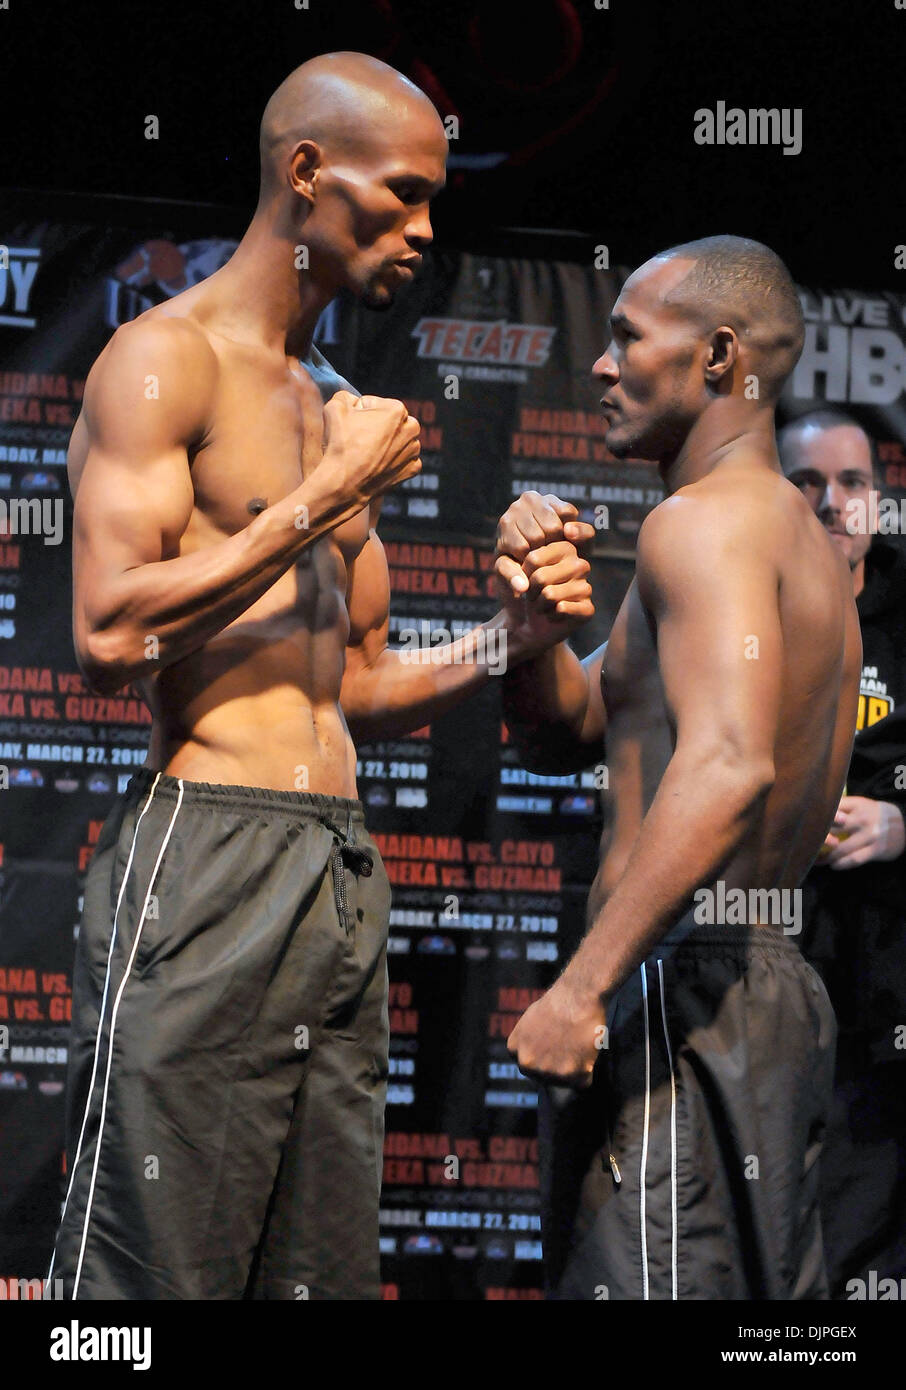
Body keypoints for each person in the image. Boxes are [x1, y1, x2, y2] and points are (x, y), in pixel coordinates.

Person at [46, 51, 594, 1301]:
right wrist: (326, 496)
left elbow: (350, 681)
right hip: (204, 853)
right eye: (399, 194)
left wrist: (503, 643)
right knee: (150, 1272)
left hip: (335, 863)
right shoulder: (161, 360)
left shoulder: (332, 397)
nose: (423, 227)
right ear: (306, 172)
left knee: (318, 1272)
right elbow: (107, 640)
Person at [495, 235, 862, 1300]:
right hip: (761, 989)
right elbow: (573, 729)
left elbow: (729, 763)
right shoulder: (786, 538)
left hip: (685, 984)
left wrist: (583, 985)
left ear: (716, 358)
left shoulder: (696, 529)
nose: (601, 365)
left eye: (626, 337)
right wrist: (529, 627)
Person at [779, 411, 906, 1294]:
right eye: (806, 482)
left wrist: (903, 823)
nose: (831, 502)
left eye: (853, 482)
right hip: (762, 975)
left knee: (863, 1245)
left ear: (880, 501)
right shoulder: (738, 605)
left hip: (886, 984)